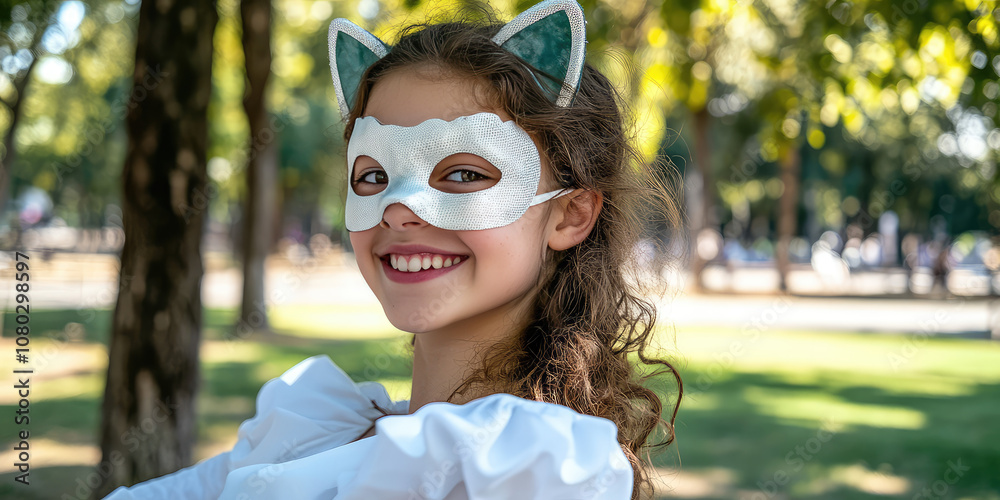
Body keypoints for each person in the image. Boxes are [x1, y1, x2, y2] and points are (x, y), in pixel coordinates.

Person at [103, 0, 683, 498]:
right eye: (373, 177)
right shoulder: (318, 426)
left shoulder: (530, 470)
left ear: (571, 212)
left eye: (462, 175)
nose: (398, 207)